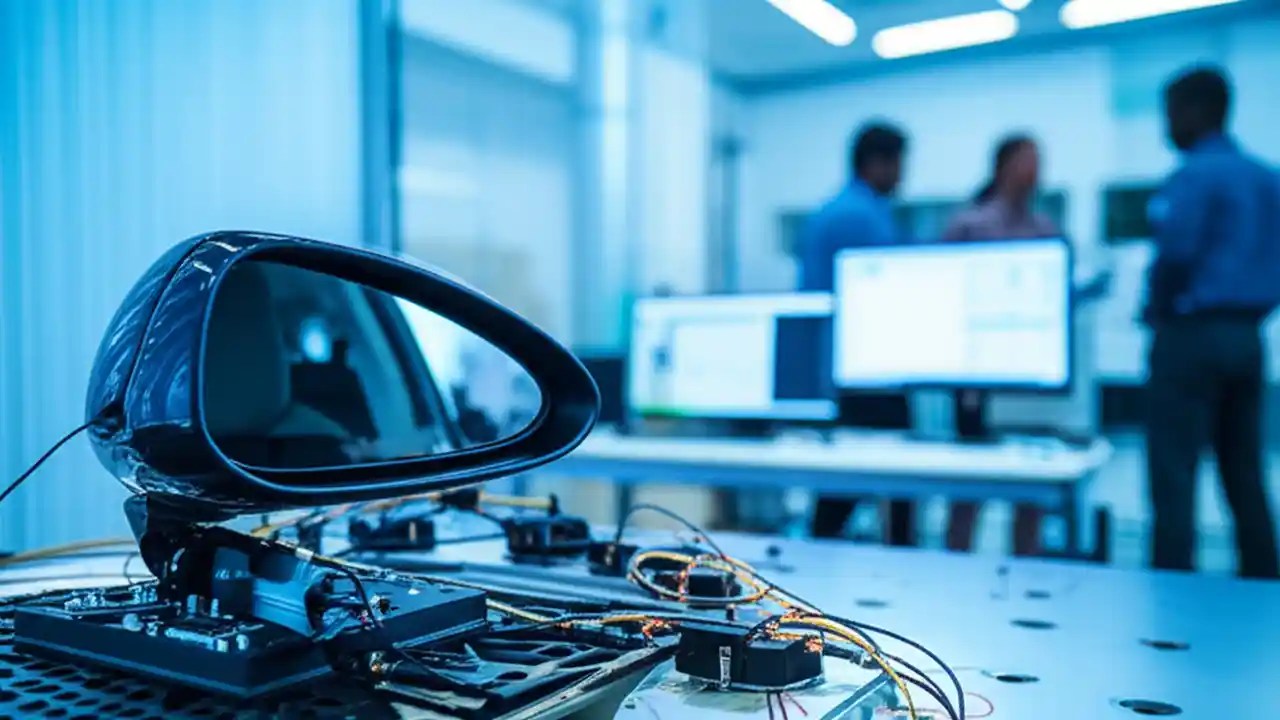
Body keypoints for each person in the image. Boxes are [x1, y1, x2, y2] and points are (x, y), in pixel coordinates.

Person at [1144, 66, 1280, 579]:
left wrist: (1157, 310)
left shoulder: (1193, 174)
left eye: (1172, 113)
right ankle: (1266, 588)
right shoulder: (1268, 179)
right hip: (1249, 339)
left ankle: (1170, 595)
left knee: (1174, 477)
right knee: (1245, 473)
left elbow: (1174, 256)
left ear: (1198, 111)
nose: (1167, 126)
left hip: (1190, 336)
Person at [941, 134, 1060, 556]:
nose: (1036, 171)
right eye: (1028, 160)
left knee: (1029, 488)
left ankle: (1029, 573)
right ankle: (956, 564)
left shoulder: (1045, 230)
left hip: (1028, 376)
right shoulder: (969, 227)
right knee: (968, 484)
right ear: (1002, 167)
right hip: (976, 379)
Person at [801, 121, 917, 545]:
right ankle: (906, 564)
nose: (903, 177)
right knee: (901, 481)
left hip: (832, 371)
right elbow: (893, 297)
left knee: (837, 486)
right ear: (877, 163)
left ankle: (815, 565)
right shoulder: (865, 217)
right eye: (900, 165)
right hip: (872, 373)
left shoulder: (827, 212)